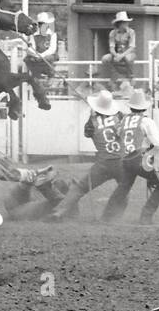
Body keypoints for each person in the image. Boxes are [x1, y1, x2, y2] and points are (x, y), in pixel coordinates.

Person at [52, 90, 129, 221]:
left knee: (80, 187)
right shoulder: (120, 116)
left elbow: (88, 134)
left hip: (103, 164)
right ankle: (110, 217)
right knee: (123, 190)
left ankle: (59, 212)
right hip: (122, 163)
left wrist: (92, 115)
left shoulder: (91, 123)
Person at [119, 89, 159, 224]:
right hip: (139, 159)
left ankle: (109, 216)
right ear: (144, 108)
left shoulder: (124, 120)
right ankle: (145, 217)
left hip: (125, 160)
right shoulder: (146, 121)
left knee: (124, 187)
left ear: (131, 107)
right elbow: (158, 144)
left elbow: (120, 136)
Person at [100, 11, 136, 86]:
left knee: (127, 58)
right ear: (119, 23)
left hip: (128, 53)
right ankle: (113, 75)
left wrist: (121, 55)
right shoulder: (113, 33)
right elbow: (111, 47)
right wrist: (116, 55)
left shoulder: (131, 32)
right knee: (105, 58)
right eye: (124, 22)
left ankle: (131, 76)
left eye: (126, 22)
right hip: (117, 53)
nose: (127, 24)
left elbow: (132, 47)